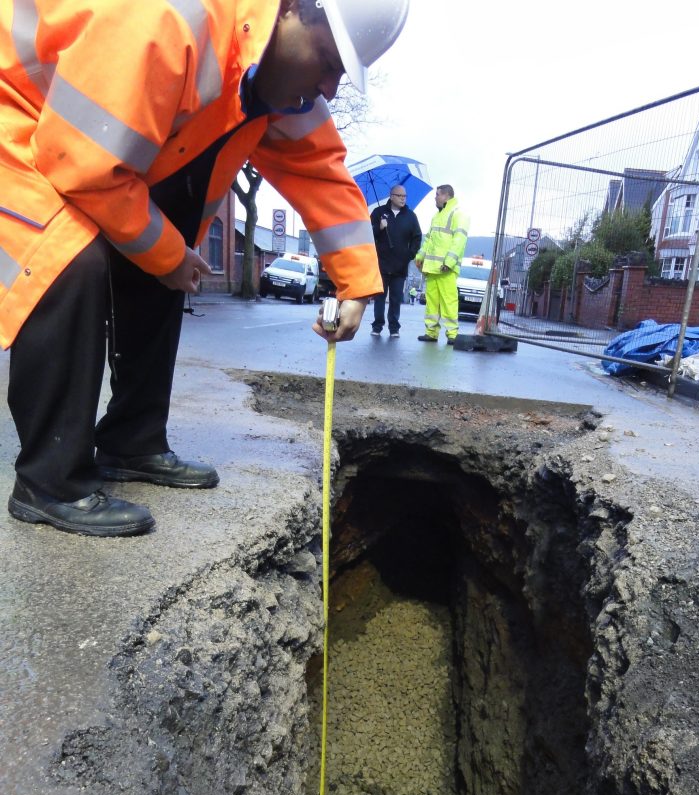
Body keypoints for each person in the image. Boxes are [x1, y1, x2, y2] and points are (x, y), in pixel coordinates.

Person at [0, 0, 408, 538]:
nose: (330, 88)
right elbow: (82, 165)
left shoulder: (281, 82)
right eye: (330, 61)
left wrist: (356, 284)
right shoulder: (167, 21)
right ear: (291, 11)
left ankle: (132, 441)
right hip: (24, 120)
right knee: (71, 259)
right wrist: (168, 254)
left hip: (81, 146)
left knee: (169, 230)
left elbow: (322, 172)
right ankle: (49, 481)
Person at [414, 185, 470, 344]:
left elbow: (459, 241)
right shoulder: (437, 216)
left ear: (446, 196)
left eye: (437, 195)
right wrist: (420, 256)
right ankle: (431, 332)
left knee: (448, 301)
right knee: (432, 302)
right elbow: (429, 241)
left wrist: (449, 262)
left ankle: (452, 334)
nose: (435, 198)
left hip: (446, 269)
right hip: (432, 268)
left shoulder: (458, 214)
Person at [369, 186, 422, 338]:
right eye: (399, 195)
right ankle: (377, 325)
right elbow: (368, 234)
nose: (403, 198)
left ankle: (394, 328)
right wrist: (379, 227)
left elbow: (417, 237)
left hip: (400, 265)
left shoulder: (411, 216)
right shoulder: (379, 213)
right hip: (382, 263)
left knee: (395, 298)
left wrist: (409, 254)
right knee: (379, 296)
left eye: (404, 196)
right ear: (391, 196)